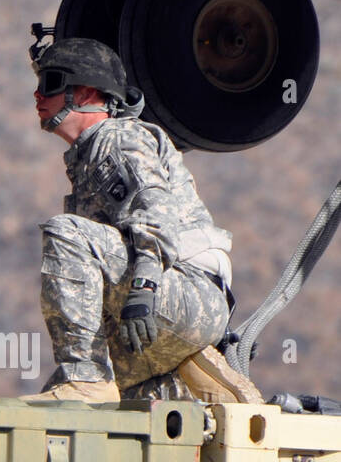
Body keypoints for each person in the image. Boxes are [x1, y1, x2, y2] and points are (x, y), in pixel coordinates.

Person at [23, 36, 262, 403]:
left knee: (66, 233)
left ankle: (86, 377)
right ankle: (198, 386)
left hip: (184, 291)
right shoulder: (88, 156)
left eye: (50, 84)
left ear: (87, 94)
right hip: (176, 305)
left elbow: (155, 211)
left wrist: (145, 288)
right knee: (85, 403)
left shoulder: (116, 139)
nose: (38, 96)